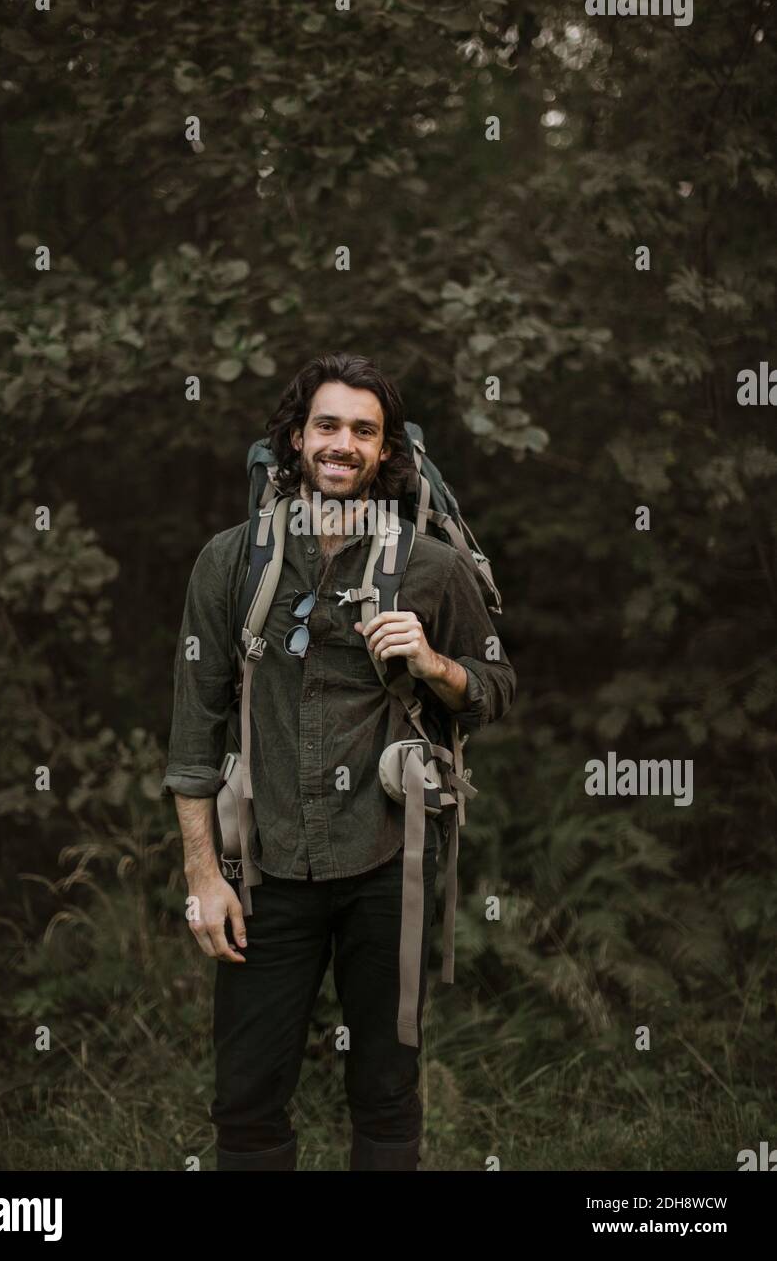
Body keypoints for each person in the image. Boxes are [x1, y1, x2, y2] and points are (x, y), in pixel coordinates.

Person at [161, 351, 516, 1170]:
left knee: (387, 1100)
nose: (343, 444)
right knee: (246, 1102)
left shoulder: (433, 568)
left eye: (365, 430)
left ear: (387, 451)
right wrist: (203, 878)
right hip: (264, 869)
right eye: (328, 425)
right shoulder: (231, 561)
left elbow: (498, 685)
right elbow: (194, 737)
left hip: (390, 865)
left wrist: (434, 665)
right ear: (294, 438)